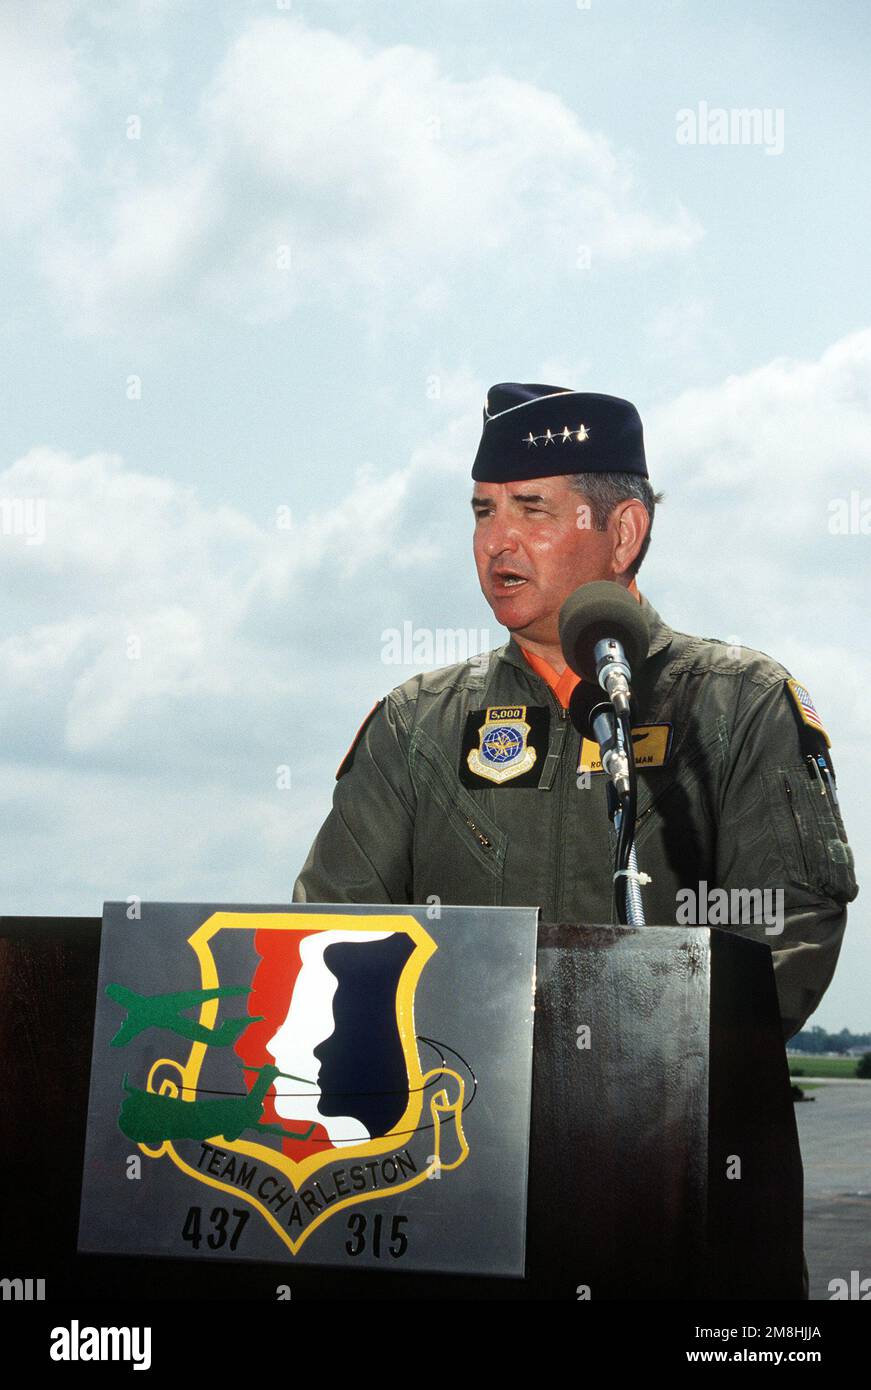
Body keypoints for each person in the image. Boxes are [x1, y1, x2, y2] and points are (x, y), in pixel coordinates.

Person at [293, 382, 858, 1043]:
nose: (495, 542)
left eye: (531, 511)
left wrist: (648, 1069)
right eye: (482, 512)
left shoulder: (737, 702)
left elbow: (786, 933)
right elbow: (332, 935)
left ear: (621, 533)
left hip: (667, 1130)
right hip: (458, 1128)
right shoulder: (415, 723)